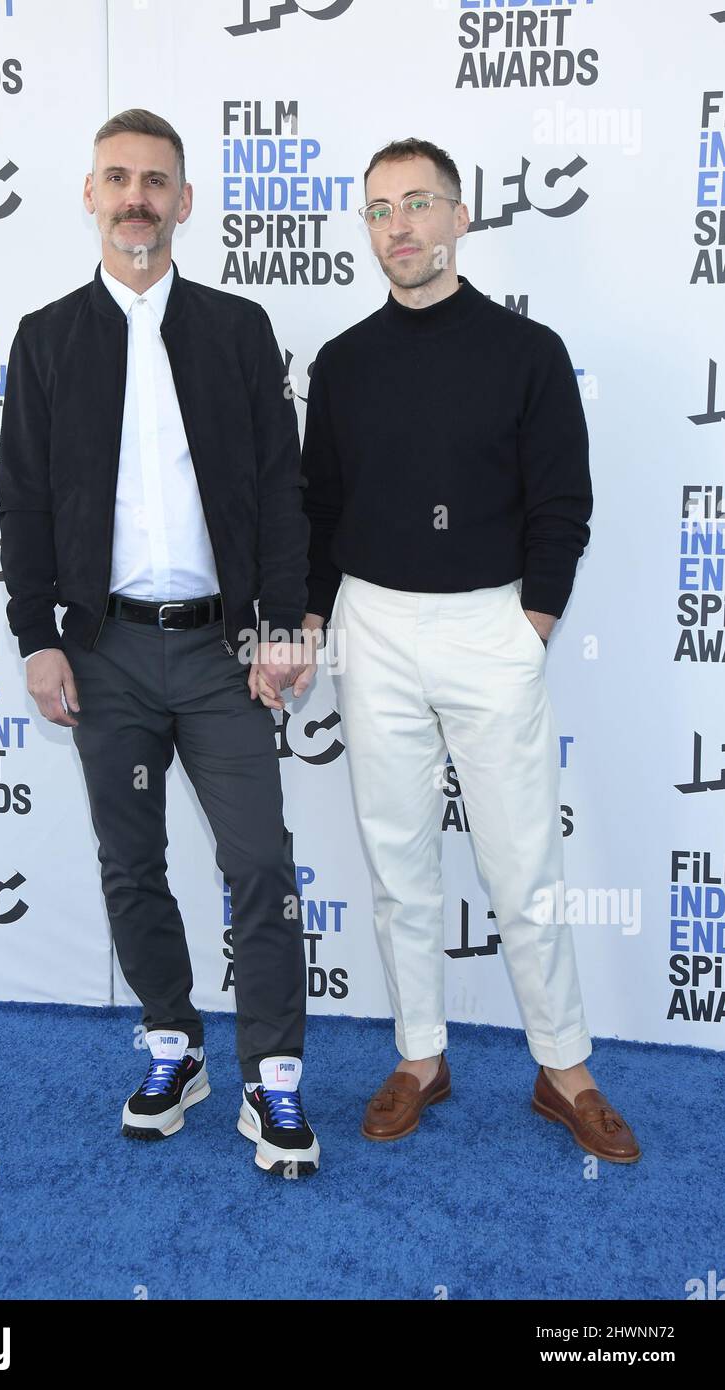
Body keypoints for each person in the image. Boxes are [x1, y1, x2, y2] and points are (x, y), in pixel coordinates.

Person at [273, 137, 640, 1163]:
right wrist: (307, 625)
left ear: (458, 216)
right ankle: (419, 1055)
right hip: (374, 626)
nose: (398, 227)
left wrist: (529, 631)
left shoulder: (526, 353)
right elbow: (320, 507)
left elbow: (561, 504)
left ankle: (563, 1068)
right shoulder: (341, 362)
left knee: (521, 860)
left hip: (492, 625)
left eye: (417, 204)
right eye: (379, 209)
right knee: (397, 862)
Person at [0, 108, 319, 1176]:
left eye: (156, 181)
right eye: (118, 178)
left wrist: (277, 624)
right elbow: (25, 500)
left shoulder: (236, 328)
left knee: (260, 861)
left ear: (184, 202)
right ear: (89, 194)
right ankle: (171, 1044)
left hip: (225, 652)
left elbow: (280, 490)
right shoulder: (47, 338)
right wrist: (37, 637)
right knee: (131, 861)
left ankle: (271, 1076)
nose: (137, 197)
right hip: (106, 653)